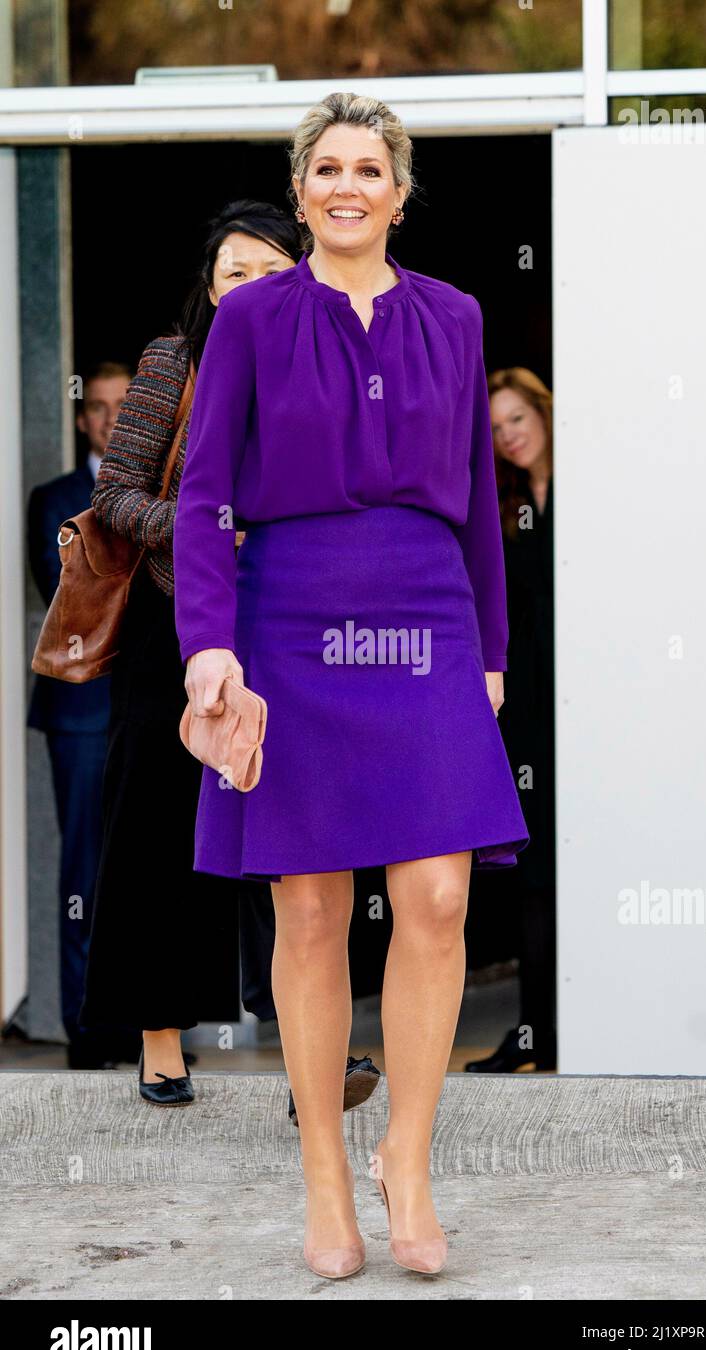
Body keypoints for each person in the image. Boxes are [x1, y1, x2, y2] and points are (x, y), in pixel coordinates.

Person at [172, 92, 529, 1278]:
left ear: (398, 190)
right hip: (288, 619)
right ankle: (325, 1172)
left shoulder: (457, 316)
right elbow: (205, 489)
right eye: (324, 167)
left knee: (434, 898)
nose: (345, 185)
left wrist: (489, 649)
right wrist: (208, 643)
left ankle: (407, 1161)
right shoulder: (253, 321)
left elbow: (478, 497)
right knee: (311, 907)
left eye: (367, 168)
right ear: (300, 188)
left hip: (428, 617)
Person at [78, 202, 302, 1102]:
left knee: (294, 845)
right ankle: (162, 1040)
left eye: (268, 268)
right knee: (156, 836)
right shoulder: (177, 360)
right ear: (208, 290)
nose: (249, 284)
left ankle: (308, 1056)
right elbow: (115, 494)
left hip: (288, 632)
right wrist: (209, 533)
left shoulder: (328, 363)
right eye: (231, 271)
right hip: (172, 633)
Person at [27, 361, 141, 1069]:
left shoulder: (168, 488)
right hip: (80, 712)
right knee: (84, 874)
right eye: (95, 408)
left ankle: (144, 1021)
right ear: (81, 419)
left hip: (151, 706)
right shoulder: (55, 499)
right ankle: (85, 1029)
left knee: (143, 870)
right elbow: (68, 589)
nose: (107, 417)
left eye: (121, 404)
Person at [467, 367, 556, 1074]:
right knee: (533, 867)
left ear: (545, 413)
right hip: (526, 701)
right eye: (497, 429)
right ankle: (534, 1031)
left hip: (593, 697)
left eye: (517, 420)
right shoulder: (500, 504)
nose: (508, 437)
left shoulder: (594, 488)